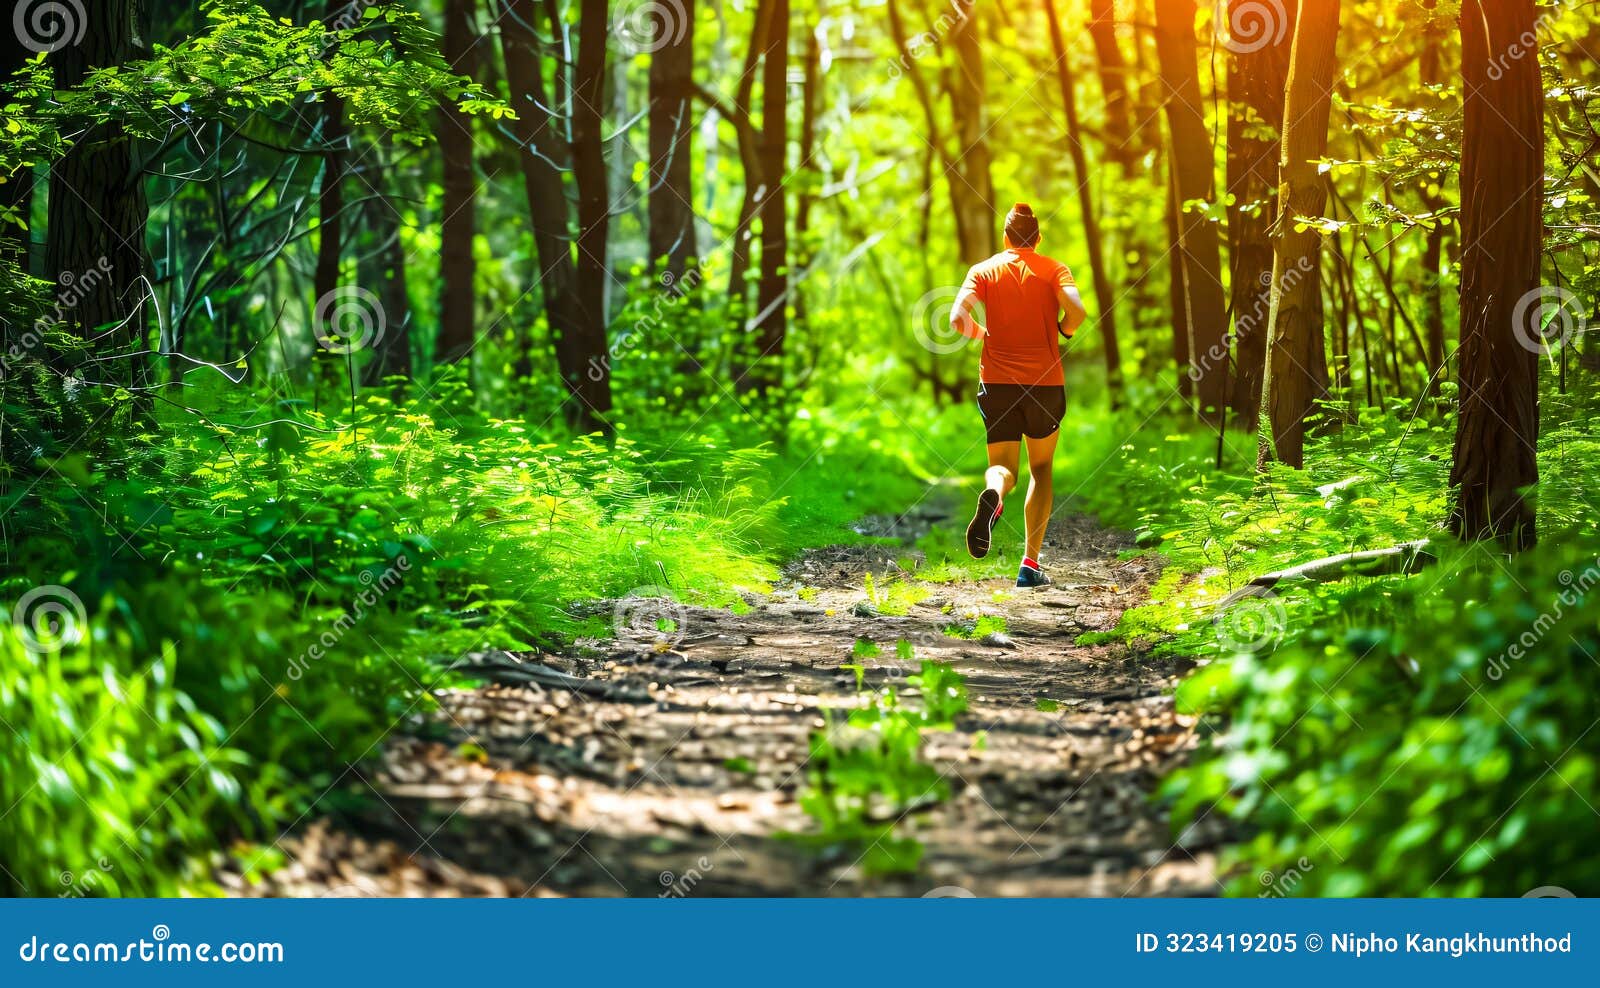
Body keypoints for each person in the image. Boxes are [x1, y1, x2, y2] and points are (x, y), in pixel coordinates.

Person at [949, 203, 1087, 589]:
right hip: (1044, 384)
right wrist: (1065, 329)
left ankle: (994, 492)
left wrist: (982, 335)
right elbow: (1077, 310)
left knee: (1003, 467)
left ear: (1005, 237)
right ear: (1038, 238)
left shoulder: (983, 270)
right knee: (1041, 469)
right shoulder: (1054, 268)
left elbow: (956, 319)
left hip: (996, 382)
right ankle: (1029, 565)